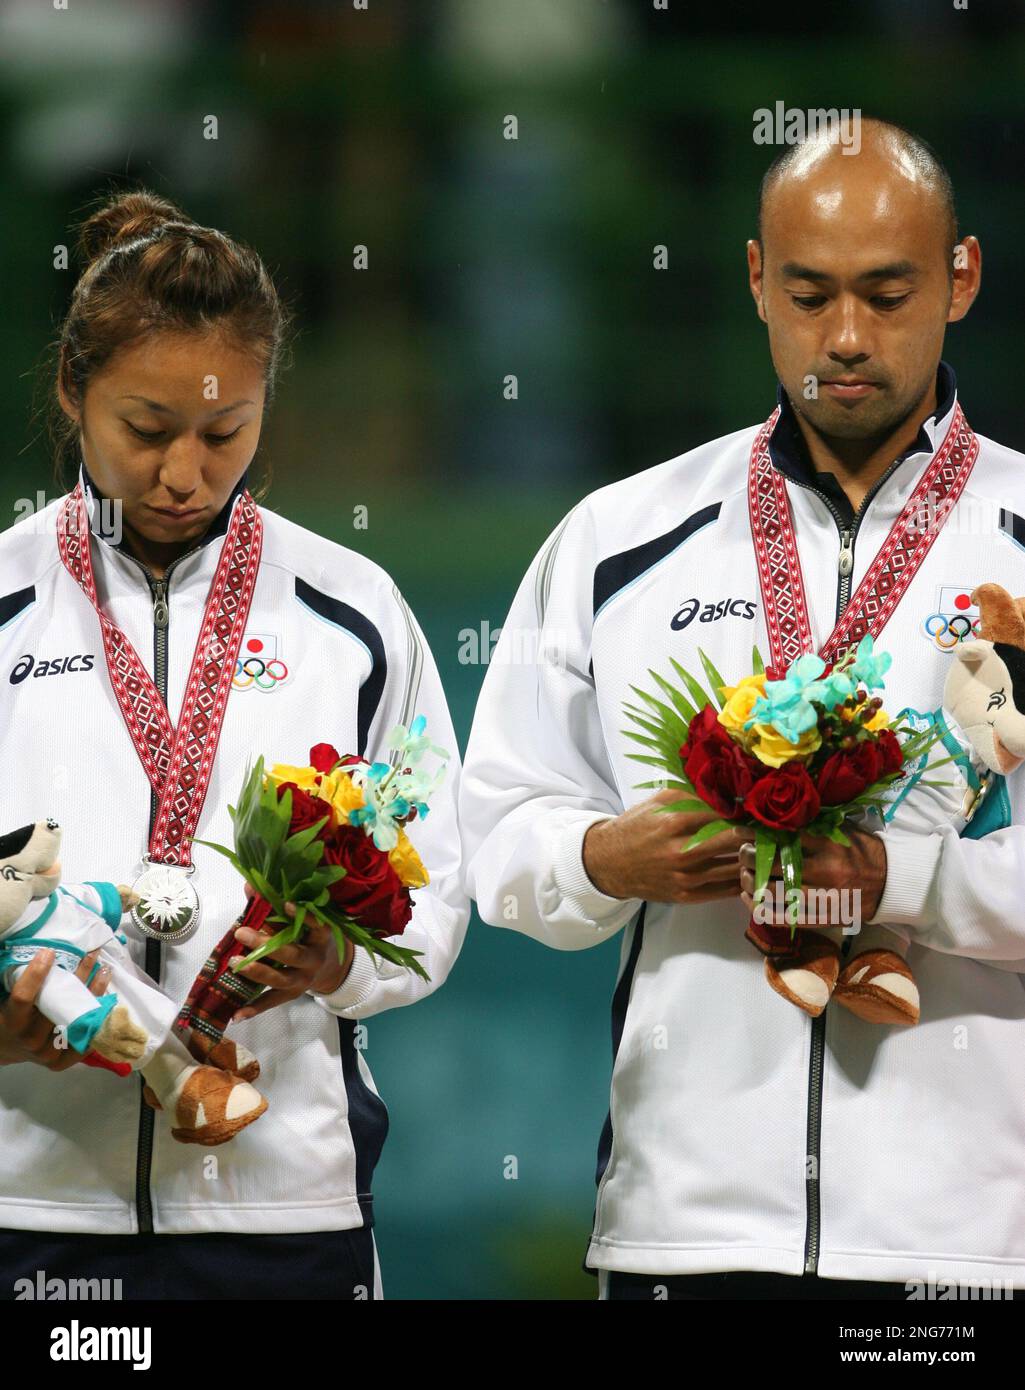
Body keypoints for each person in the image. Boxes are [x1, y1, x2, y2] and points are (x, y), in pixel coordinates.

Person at [459, 117, 1025, 1300]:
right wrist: (602, 857)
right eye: (810, 294)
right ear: (756, 278)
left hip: (967, 1243)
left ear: (960, 278)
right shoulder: (621, 541)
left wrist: (902, 877)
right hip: (688, 1233)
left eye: (887, 292)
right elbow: (495, 841)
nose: (847, 338)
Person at [0, 188, 469, 1300]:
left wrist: (341, 962)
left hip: (280, 1204)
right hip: (29, 1202)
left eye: (225, 432)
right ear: (73, 392)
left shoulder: (351, 613)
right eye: (145, 429)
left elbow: (439, 893)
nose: (182, 474)